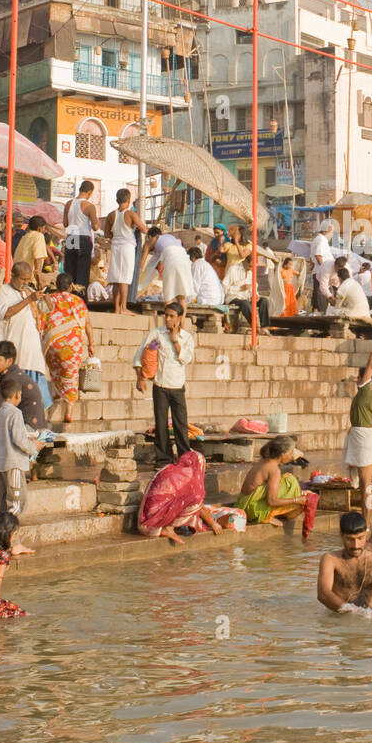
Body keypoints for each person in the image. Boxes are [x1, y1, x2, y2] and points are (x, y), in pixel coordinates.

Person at [133, 302, 195, 465]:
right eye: (166, 315)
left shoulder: (187, 338)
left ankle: (184, 459)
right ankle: (163, 459)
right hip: (160, 386)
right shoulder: (157, 334)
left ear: (179, 318)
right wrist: (140, 378)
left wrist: (175, 341)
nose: (167, 319)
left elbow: (186, 359)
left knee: (180, 424)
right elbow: (139, 356)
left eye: (171, 316)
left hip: (177, 387)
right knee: (161, 424)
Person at [344, 329, 372, 521]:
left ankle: (366, 523)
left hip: (364, 439)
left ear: (363, 379)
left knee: (367, 485)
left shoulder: (364, 389)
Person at [0, 261, 52, 411]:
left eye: (28, 280)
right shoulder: (3, 291)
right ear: (13, 276)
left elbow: (48, 308)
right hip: (14, 352)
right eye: (22, 279)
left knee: (38, 399)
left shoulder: (28, 291)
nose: (25, 283)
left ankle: (39, 428)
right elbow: (6, 313)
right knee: (16, 398)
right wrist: (29, 299)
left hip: (32, 353)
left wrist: (44, 290)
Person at [39, 272, 96, 423]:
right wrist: (91, 343)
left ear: (56, 286)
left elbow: (42, 321)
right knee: (71, 375)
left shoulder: (50, 299)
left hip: (53, 343)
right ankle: (69, 410)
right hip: (72, 345)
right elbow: (88, 324)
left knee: (55, 369)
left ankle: (57, 394)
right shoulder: (79, 301)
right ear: (71, 286)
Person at [0, 376, 48, 518]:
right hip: (13, 464)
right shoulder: (15, 413)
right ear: (17, 394)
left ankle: (2, 531)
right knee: (16, 504)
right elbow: (18, 439)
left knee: (4, 504)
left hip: (0, 464)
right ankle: (7, 532)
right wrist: (33, 447)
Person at [137, 449, 221, 545]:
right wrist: (213, 524)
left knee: (190, 500)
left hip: (147, 514)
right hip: (156, 518)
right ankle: (168, 527)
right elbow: (196, 502)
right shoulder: (190, 476)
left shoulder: (169, 468)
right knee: (196, 499)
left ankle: (167, 525)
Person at [317, 510, 372, 614]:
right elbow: (323, 593)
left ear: (367, 534)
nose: (356, 545)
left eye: (360, 538)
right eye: (350, 539)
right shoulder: (330, 559)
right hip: (341, 618)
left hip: (371, 616)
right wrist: (353, 612)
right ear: (341, 535)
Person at [236, 436, 309, 527]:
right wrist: (297, 500)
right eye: (290, 453)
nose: (291, 456)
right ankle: (266, 516)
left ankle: (274, 513)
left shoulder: (263, 461)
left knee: (288, 480)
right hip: (253, 511)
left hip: (242, 505)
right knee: (291, 482)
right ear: (283, 454)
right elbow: (272, 501)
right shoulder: (274, 470)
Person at [105, 189, 146, 314]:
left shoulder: (111, 215)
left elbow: (107, 234)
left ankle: (117, 308)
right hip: (127, 247)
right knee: (125, 279)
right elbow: (144, 229)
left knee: (116, 279)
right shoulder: (130, 214)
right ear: (128, 200)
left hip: (116, 246)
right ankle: (123, 307)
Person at [140, 228, 194, 313]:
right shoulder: (170, 237)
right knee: (182, 297)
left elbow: (142, 262)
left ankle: (170, 322)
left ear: (149, 237)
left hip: (172, 258)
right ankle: (181, 324)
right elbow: (153, 264)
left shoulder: (150, 241)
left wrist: (139, 275)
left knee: (168, 297)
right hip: (185, 258)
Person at [63, 181, 98, 288]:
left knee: (70, 271)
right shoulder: (89, 206)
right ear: (90, 192)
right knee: (82, 273)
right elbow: (95, 227)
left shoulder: (69, 203)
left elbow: (65, 224)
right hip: (82, 238)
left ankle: (69, 299)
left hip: (71, 237)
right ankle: (80, 300)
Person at [224, 259, 270, 333]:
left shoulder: (251, 272)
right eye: (250, 266)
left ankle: (264, 326)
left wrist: (256, 295)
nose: (251, 268)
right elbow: (224, 286)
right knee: (245, 303)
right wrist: (240, 288)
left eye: (253, 267)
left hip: (247, 297)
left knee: (264, 301)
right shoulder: (233, 269)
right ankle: (255, 327)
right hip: (234, 297)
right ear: (245, 262)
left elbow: (255, 287)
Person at [12, 215, 48, 284]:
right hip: (28, 279)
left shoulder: (25, 236)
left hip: (18, 275)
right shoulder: (39, 236)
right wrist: (39, 279)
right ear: (39, 228)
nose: (44, 230)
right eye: (44, 228)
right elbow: (38, 258)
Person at [311, 221, 336, 312]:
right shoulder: (321, 240)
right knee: (322, 295)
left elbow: (313, 257)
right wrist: (324, 269)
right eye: (331, 232)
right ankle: (321, 312)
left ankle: (317, 310)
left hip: (319, 271)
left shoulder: (318, 239)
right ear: (325, 232)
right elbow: (318, 256)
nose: (331, 235)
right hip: (321, 272)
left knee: (319, 294)